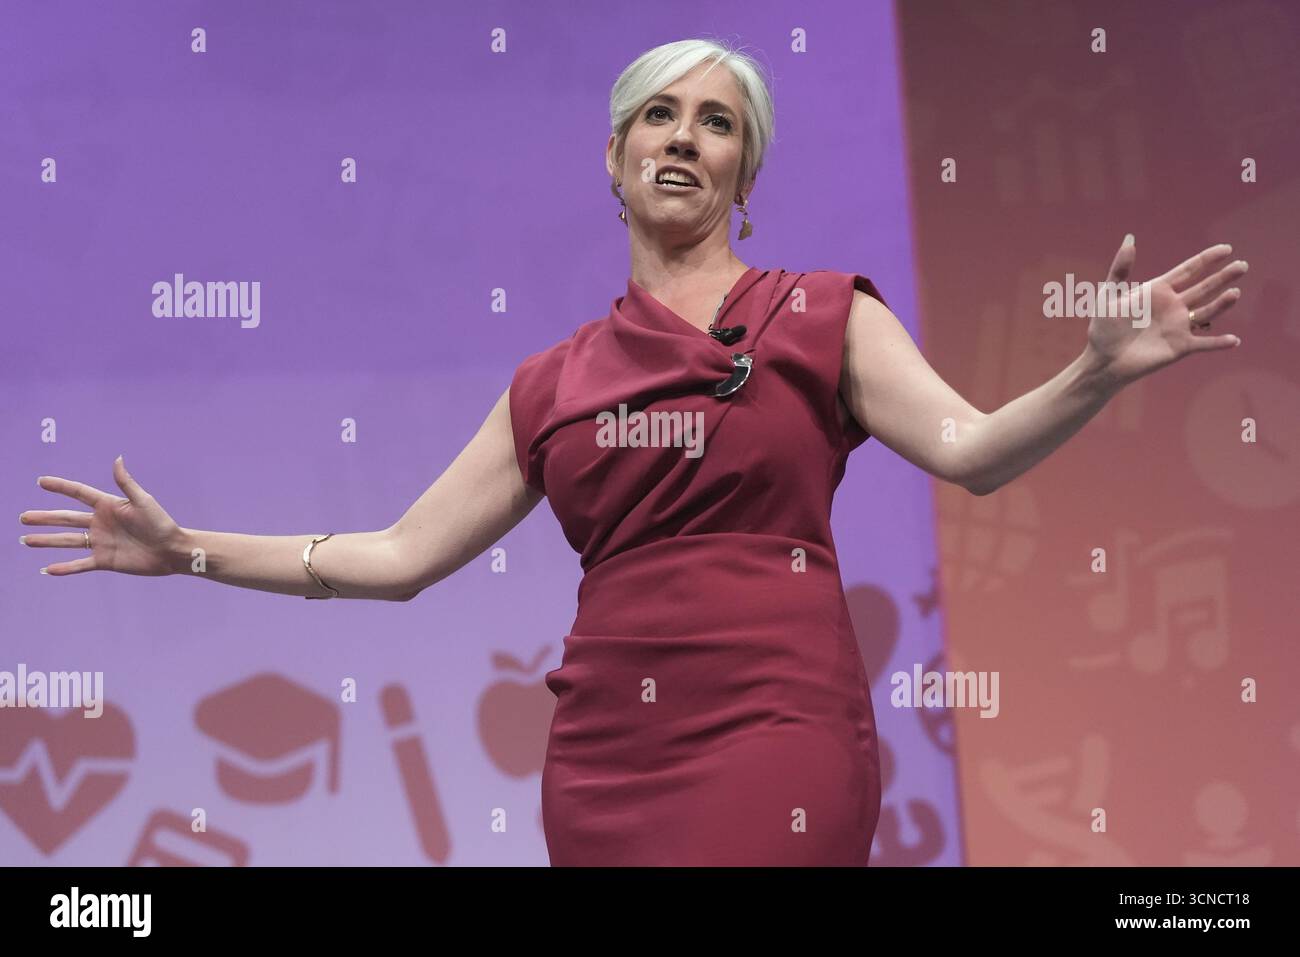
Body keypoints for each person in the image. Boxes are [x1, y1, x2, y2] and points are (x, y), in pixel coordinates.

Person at [19, 39, 1248, 866]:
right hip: (607, 755)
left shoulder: (825, 315)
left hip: (778, 728)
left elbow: (973, 452)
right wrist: (185, 554)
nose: (683, 135)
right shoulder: (550, 383)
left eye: (716, 123)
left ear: (742, 171)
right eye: (658, 114)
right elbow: (397, 559)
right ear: (614, 159)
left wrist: (1090, 372)